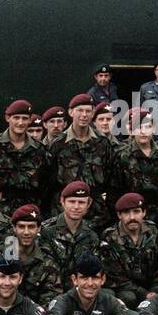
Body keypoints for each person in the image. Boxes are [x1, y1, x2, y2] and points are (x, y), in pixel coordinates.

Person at [47, 94, 115, 228]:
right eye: (80, 110)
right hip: (65, 212)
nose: (84, 115)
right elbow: (49, 182)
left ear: (93, 113)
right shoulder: (58, 144)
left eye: (88, 111)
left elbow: (110, 179)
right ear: (71, 112)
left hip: (96, 214)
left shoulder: (102, 143)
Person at [0, 204, 64, 307]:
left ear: (39, 229)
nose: (26, 232)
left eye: (31, 227)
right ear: (14, 228)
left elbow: (51, 303)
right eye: (21, 227)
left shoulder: (48, 261)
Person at [0, 99, 48, 211]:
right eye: (16, 118)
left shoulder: (40, 149)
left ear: (30, 120)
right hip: (0, 212)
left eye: (25, 118)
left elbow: (46, 184)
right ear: (7, 118)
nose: (20, 123)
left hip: (30, 212)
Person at [99, 192, 158, 307]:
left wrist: (155, 288)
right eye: (126, 212)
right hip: (125, 287)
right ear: (119, 215)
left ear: (144, 212)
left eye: (136, 211)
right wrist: (144, 293)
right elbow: (114, 277)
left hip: (151, 284)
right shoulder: (110, 237)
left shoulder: (153, 230)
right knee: (129, 298)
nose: (132, 217)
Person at [40, 181, 100, 284]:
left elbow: (92, 271)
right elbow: (45, 270)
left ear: (89, 204)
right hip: (50, 288)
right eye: (72, 201)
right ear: (62, 201)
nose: (76, 207)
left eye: (81, 202)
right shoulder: (45, 230)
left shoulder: (91, 235)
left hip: (80, 290)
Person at [112, 107, 158, 217]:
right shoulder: (122, 156)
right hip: (132, 214)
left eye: (147, 127)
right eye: (139, 127)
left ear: (154, 128)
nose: (143, 131)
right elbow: (115, 192)